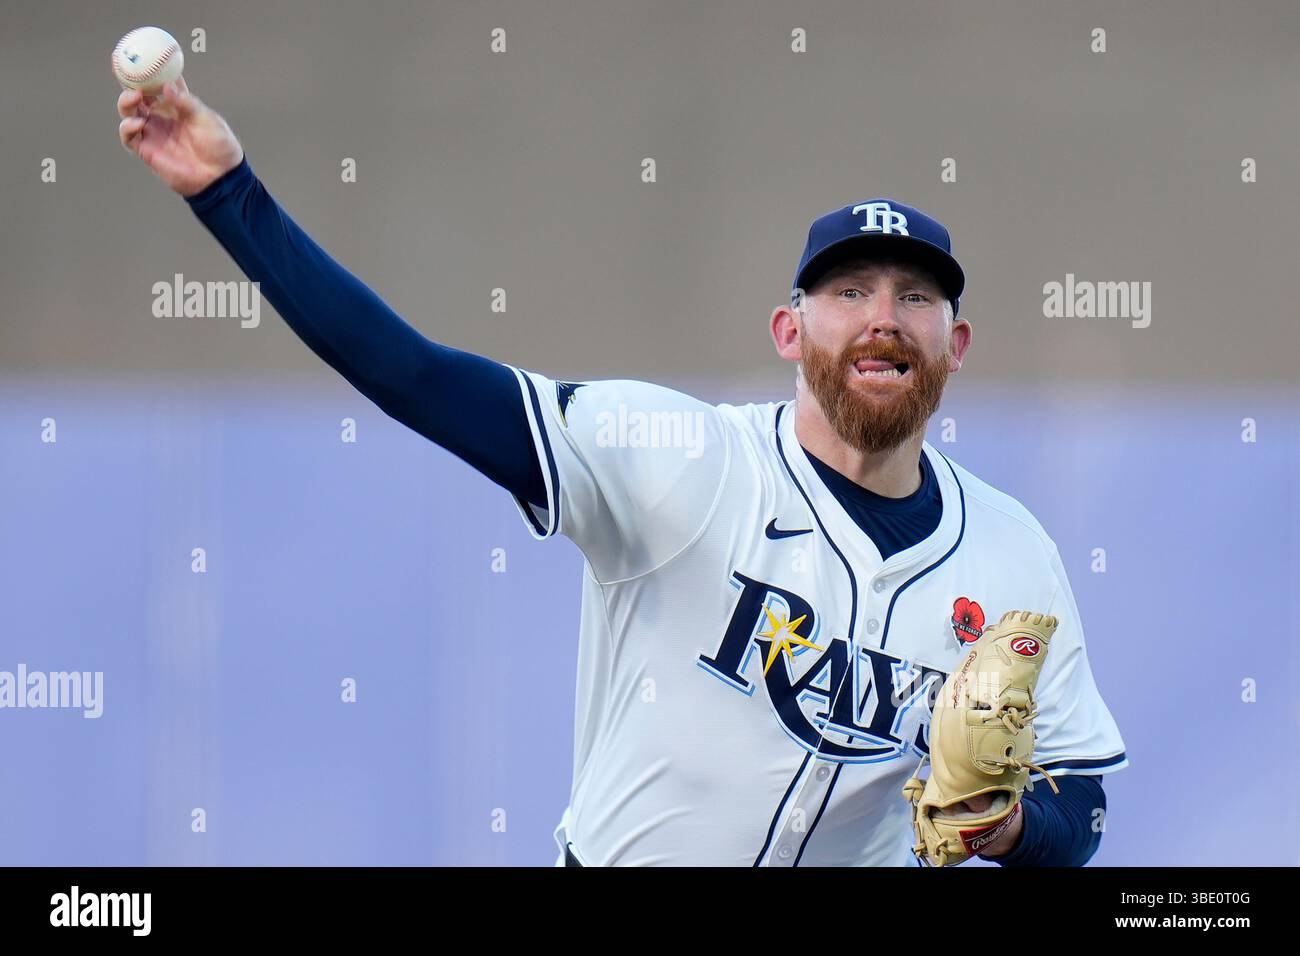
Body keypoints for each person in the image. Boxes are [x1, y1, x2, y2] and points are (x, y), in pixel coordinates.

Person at [117, 78, 1127, 867]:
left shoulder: (1011, 556)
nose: (882, 315)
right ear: (788, 329)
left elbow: (1080, 799)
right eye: (848, 288)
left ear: (956, 343)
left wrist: (1005, 826)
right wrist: (226, 192)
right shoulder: (678, 460)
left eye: (915, 297)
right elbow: (413, 375)